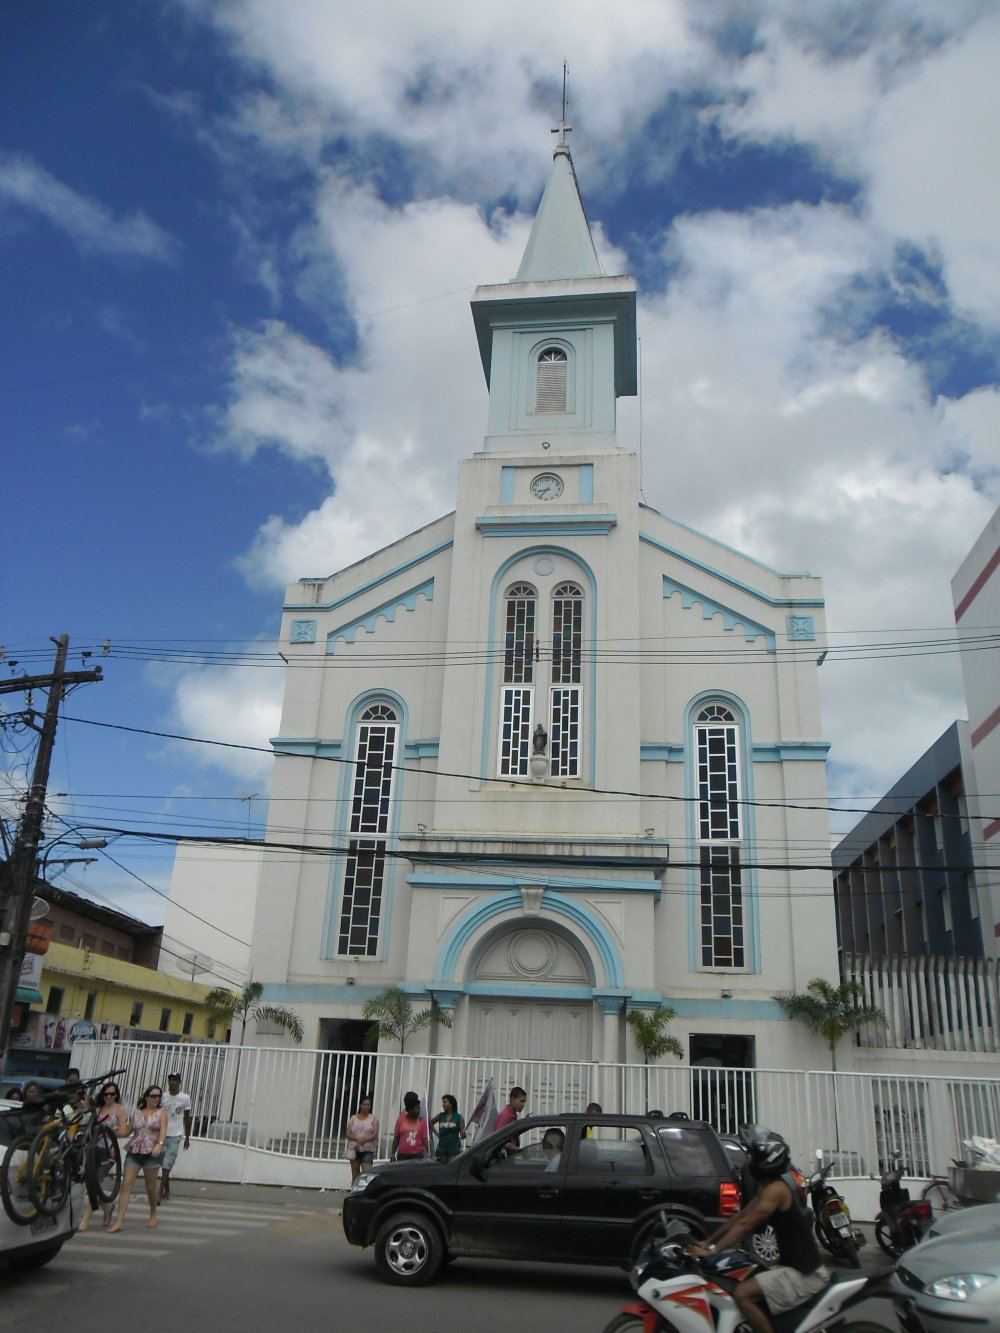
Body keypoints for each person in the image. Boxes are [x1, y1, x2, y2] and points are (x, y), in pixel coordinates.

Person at [689, 1125, 829, 1333]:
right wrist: (707, 1243)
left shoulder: (776, 1191)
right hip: (793, 1268)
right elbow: (741, 1216)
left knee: (742, 1294)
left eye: (753, 1157)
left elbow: (745, 1226)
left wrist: (712, 1252)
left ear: (767, 1161)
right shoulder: (770, 1188)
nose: (749, 1162)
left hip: (804, 1274)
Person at [108, 1085, 168, 1232]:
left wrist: (159, 1144)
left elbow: (163, 1131)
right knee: (126, 1185)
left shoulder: (161, 1112)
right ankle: (119, 1221)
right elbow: (127, 1131)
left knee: (150, 1187)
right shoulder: (137, 1113)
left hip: (151, 1153)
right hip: (135, 1150)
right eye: (153, 1096)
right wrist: (115, 1131)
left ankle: (153, 1213)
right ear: (146, 1097)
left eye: (158, 1096)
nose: (156, 1099)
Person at [79, 1080, 129, 1231]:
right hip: (94, 1149)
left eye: (112, 1094)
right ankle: (107, 1207)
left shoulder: (119, 1109)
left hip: (109, 1152)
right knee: (91, 1183)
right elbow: (86, 1107)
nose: (109, 1097)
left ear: (116, 1095)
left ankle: (85, 1220)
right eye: (106, 1094)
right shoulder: (99, 1109)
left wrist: (114, 1131)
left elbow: (124, 1131)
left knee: (95, 1182)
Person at [158, 1071, 192, 1202]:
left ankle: (160, 1192)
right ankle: (167, 1190)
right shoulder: (163, 1097)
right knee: (163, 1162)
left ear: (179, 1082)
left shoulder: (185, 1098)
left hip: (175, 1134)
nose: (172, 1082)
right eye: (170, 1079)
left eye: (175, 1080)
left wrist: (187, 1138)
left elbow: (187, 1118)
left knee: (168, 1161)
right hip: (162, 1133)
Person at [345, 1094, 379, 1181]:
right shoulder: (353, 1118)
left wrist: (364, 1140)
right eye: (365, 1104)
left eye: (368, 1105)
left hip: (367, 1150)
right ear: (360, 1105)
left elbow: (375, 1133)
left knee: (366, 1175)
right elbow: (348, 1133)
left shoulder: (373, 1118)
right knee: (355, 1176)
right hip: (355, 1149)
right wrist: (356, 1139)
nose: (367, 1107)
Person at [391, 1092, 430, 1161]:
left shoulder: (422, 1122)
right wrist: (392, 1154)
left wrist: (432, 1153)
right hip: (402, 1156)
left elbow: (425, 1140)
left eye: (419, 1108)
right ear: (410, 1110)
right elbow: (396, 1138)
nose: (419, 1111)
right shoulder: (401, 1119)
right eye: (417, 1109)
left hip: (417, 1156)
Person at [430, 1094, 465, 1163]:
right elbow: (430, 1123)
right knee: (439, 1169)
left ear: (451, 1104)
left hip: (454, 1149)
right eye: (442, 1103)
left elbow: (462, 1134)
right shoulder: (440, 1116)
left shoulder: (459, 1117)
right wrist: (437, 1133)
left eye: (445, 1102)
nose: (443, 1105)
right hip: (441, 1148)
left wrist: (463, 1135)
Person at [495, 1085, 527, 1153]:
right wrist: (518, 1150)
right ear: (512, 1099)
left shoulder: (513, 1115)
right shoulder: (506, 1116)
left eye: (524, 1102)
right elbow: (497, 1140)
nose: (523, 1105)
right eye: (521, 1101)